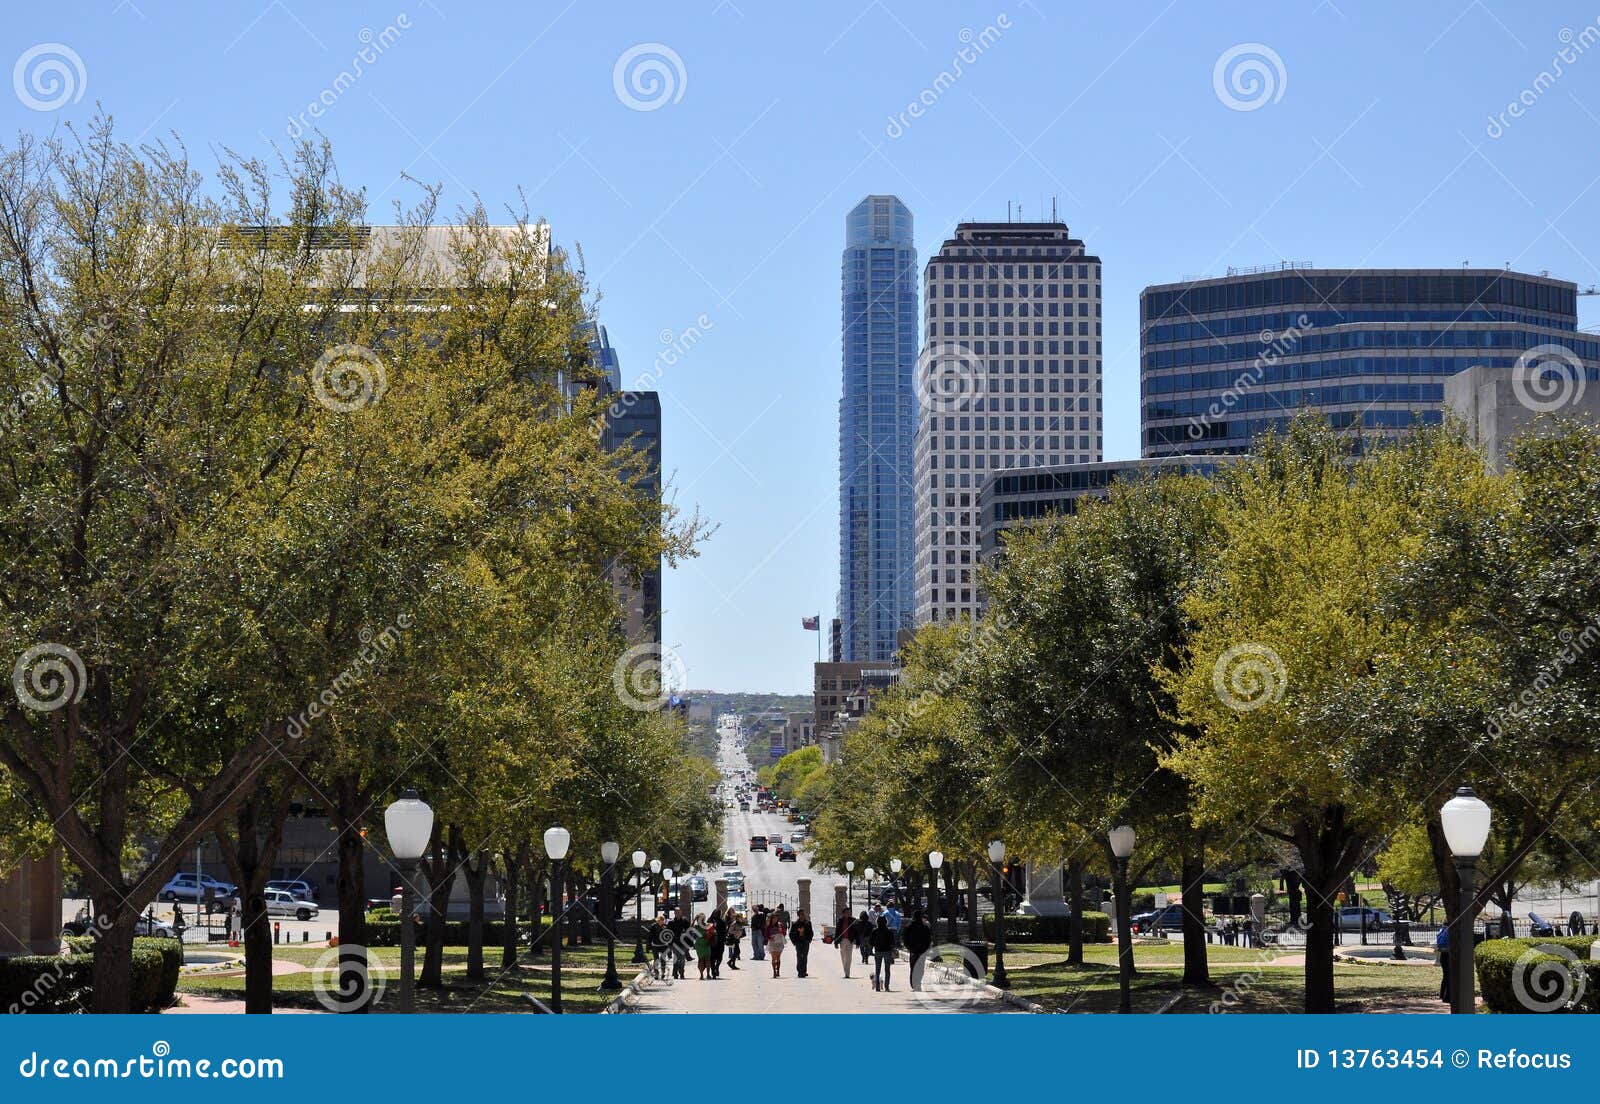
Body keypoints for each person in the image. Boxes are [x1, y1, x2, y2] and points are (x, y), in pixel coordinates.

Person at [902, 908, 932, 991]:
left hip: (913, 950)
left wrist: (908, 947)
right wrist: (925, 948)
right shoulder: (925, 927)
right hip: (922, 950)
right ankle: (918, 982)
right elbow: (928, 939)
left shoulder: (909, 926)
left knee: (913, 967)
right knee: (920, 968)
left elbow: (904, 938)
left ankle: (914, 984)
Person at [869, 915, 896, 991]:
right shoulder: (889, 932)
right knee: (887, 970)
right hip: (887, 951)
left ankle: (877, 987)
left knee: (877, 970)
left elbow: (870, 942)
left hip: (878, 951)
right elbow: (893, 943)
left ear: (877, 922)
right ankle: (886, 986)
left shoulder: (875, 931)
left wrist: (876, 944)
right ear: (886, 922)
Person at [765, 907, 789, 978]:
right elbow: (766, 933)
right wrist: (770, 937)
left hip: (779, 942)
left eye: (776, 918)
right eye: (774, 918)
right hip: (772, 942)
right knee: (773, 958)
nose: (775, 919)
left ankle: (778, 971)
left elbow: (784, 932)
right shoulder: (769, 926)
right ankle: (774, 972)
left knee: (778, 957)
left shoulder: (780, 925)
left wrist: (781, 934)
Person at [790, 910, 814, 978]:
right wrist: (794, 942)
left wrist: (809, 940)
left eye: (803, 914)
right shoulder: (795, 924)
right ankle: (800, 971)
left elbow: (811, 933)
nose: (802, 916)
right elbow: (791, 934)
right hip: (798, 942)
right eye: (801, 914)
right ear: (798, 915)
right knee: (799, 956)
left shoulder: (808, 923)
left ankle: (804, 971)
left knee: (805, 957)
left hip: (805, 942)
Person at [648, 914, 672, 979]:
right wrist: (648, 946)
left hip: (663, 945)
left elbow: (668, 937)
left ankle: (663, 972)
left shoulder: (665, 926)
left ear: (664, 921)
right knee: (656, 960)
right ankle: (656, 973)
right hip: (655, 945)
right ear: (657, 920)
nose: (661, 922)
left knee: (663, 959)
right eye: (659, 920)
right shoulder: (653, 926)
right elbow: (650, 936)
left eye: (662, 920)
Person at [834, 908, 856, 978]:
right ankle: (845, 969)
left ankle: (847, 973)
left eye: (849, 912)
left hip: (850, 940)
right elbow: (837, 931)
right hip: (842, 940)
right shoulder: (840, 921)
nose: (848, 913)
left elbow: (856, 931)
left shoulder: (853, 920)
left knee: (849, 957)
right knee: (843, 956)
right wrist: (836, 942)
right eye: (846, 912)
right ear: (843, 913)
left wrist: (858, 942)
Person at [668, 912, 690, 979]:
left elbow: (689, 931)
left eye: (679, 913)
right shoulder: (671, 922)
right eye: (676, 913)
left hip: (683, 944)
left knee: (682, 959)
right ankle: (675, 973)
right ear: (675, 913)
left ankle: (682, 972)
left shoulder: (685, 921)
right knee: (676, 958)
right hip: (675, 944)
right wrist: (670, 944)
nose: (678, 914)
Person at [709, 908, 728, 978]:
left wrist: (723, 939)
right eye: (716, 913)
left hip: (720, 942)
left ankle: (717, 967)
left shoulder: (722, 922)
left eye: (718, 914)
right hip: (712, 943)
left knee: (720, 956)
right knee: (712, 958)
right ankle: (713, 971)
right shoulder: (709, 921)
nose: (717, 915)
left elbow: (724, 932)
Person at [694, 914, 713, 980]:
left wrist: (694, 919)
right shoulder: (706, 925)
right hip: (705, 943)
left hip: (699, 944)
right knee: (707, 959)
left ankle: (701, 975)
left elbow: (690, 927)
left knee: (701, 959)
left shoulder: (696, 926)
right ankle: (708, 975)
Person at [1435, 923, 1450, 1004]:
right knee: (1449, 976)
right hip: (1449, 955)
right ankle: (1447, 996)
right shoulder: (1450, 931)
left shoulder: (1442, 930)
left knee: (1446, 975)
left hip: (1443, 955)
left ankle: (1442, 994)